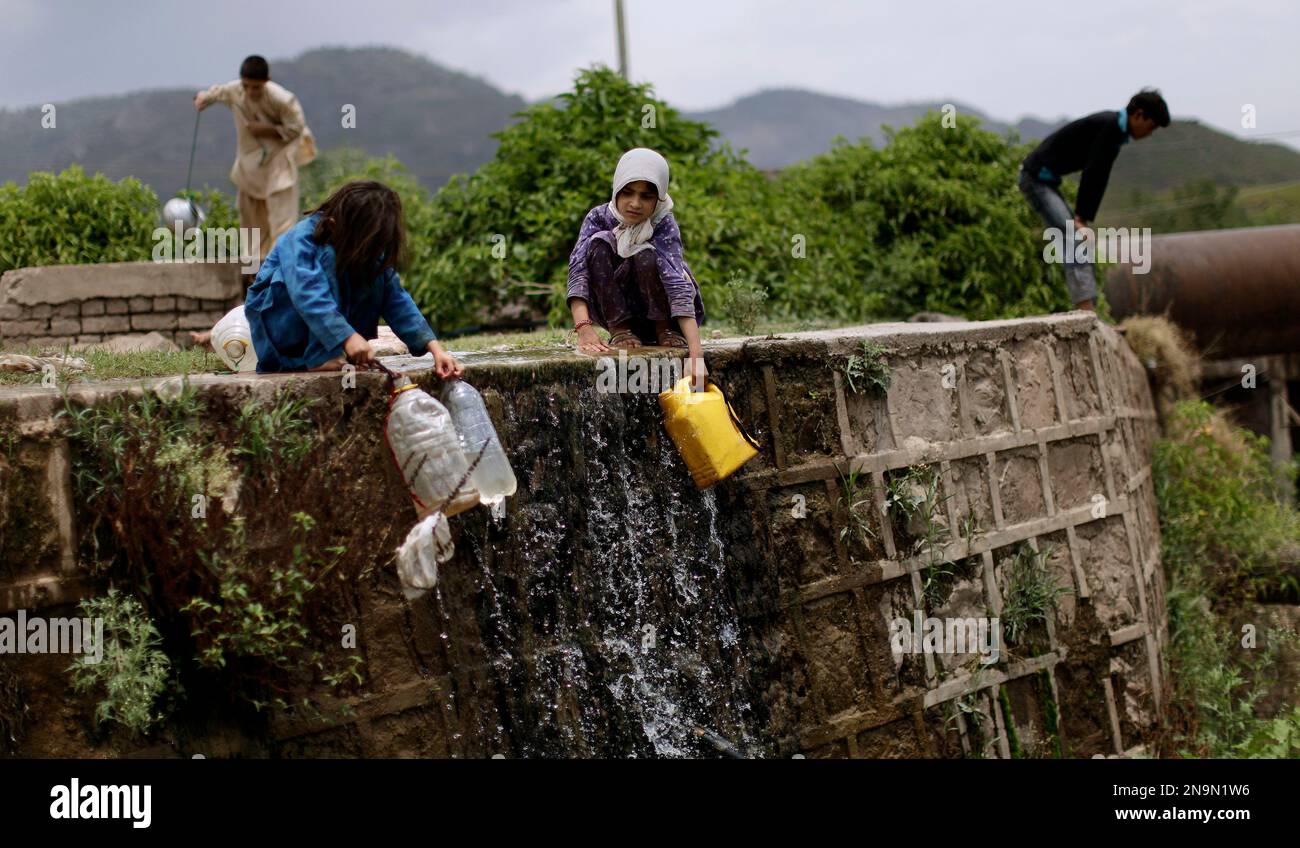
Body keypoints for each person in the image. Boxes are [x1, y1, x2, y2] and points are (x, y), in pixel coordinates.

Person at [243, 180, 462, 378]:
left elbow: (397, 300)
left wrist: (436, 350)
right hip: (281, 339)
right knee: (327, 257)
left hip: (334, 342)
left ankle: (332, 351)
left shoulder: (366, 252)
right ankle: (321, 356)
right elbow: (307, 292)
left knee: (376, 272)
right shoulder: (300, 239)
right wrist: (347, 337)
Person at [566, 147, 709, 390]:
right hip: (619, 313)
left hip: (667, 314)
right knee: (599, 242)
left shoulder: (663, 223)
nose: (635, 204)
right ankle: (620, 329)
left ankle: (663, 328)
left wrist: (696, 356)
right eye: (628, 193)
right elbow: (579, 270)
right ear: (616, 190)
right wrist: (584, 328)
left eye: (646, 196)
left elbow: (676, 283)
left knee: (645, 253)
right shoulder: (598, 218)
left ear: (659, 198)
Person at [1018, 88, 1170, 311]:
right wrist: (1081, 217)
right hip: (1035, 179)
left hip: (1047, 182)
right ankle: (1085, 310)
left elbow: (1099, 175)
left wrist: (1083, 217)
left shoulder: (1115, 131)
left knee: (1077, 238)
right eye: (1151, 126)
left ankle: (1087, 306)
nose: (1150, 132)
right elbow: (1094, 173)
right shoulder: (1109, 127)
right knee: (1073, 237)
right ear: (1139, 114)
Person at [194, 55, 317, 272]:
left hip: (278, 166)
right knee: (251, 226)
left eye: (256, 87)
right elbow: (216, 93)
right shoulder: (235, 90)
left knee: (282, 226)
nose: (250, 91)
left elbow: (296, 128)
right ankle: (254, 274)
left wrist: (265, 129)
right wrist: (203, 99)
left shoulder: (283, 99)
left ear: (267, 81)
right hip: (249, 167)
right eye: (247, 86)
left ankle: (281, 272)